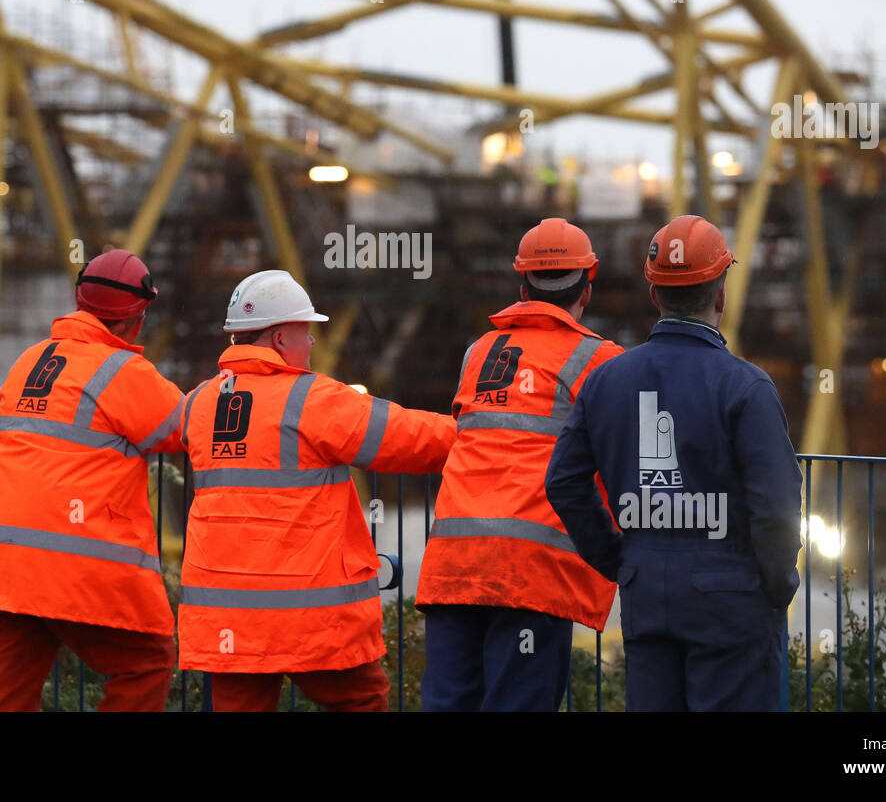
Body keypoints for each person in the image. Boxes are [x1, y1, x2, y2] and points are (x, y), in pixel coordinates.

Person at [546, 215, 803, 711]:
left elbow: (564, 484)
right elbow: (776, 506)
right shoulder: (746, 388)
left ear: (654, 295)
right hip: (733, 603)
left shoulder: (606, 381)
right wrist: (778, 585)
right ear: (721, 295)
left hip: (648, 600)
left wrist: (621, 563)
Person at [174, 269, 456, 711]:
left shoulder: (197, 404)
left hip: (230, 619)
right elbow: (412, 438)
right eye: (307, 333)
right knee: (361, 701)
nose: (312, 344)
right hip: (313, 618)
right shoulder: (314, 399)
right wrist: (485, 434)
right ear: (281, 338)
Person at [0, 249, 185, 711]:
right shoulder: (124, 372)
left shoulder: (29, 360)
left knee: (2, 695)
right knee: (146, 662)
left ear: (79, 300)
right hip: (75, 565)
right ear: (139, 316)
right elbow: (188, 429)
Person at [417, 218, 624, 711]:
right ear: (588, 284)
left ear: (522, 283)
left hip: (453, 566)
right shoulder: (603, 361)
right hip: (529, 574)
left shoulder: (478, 353)